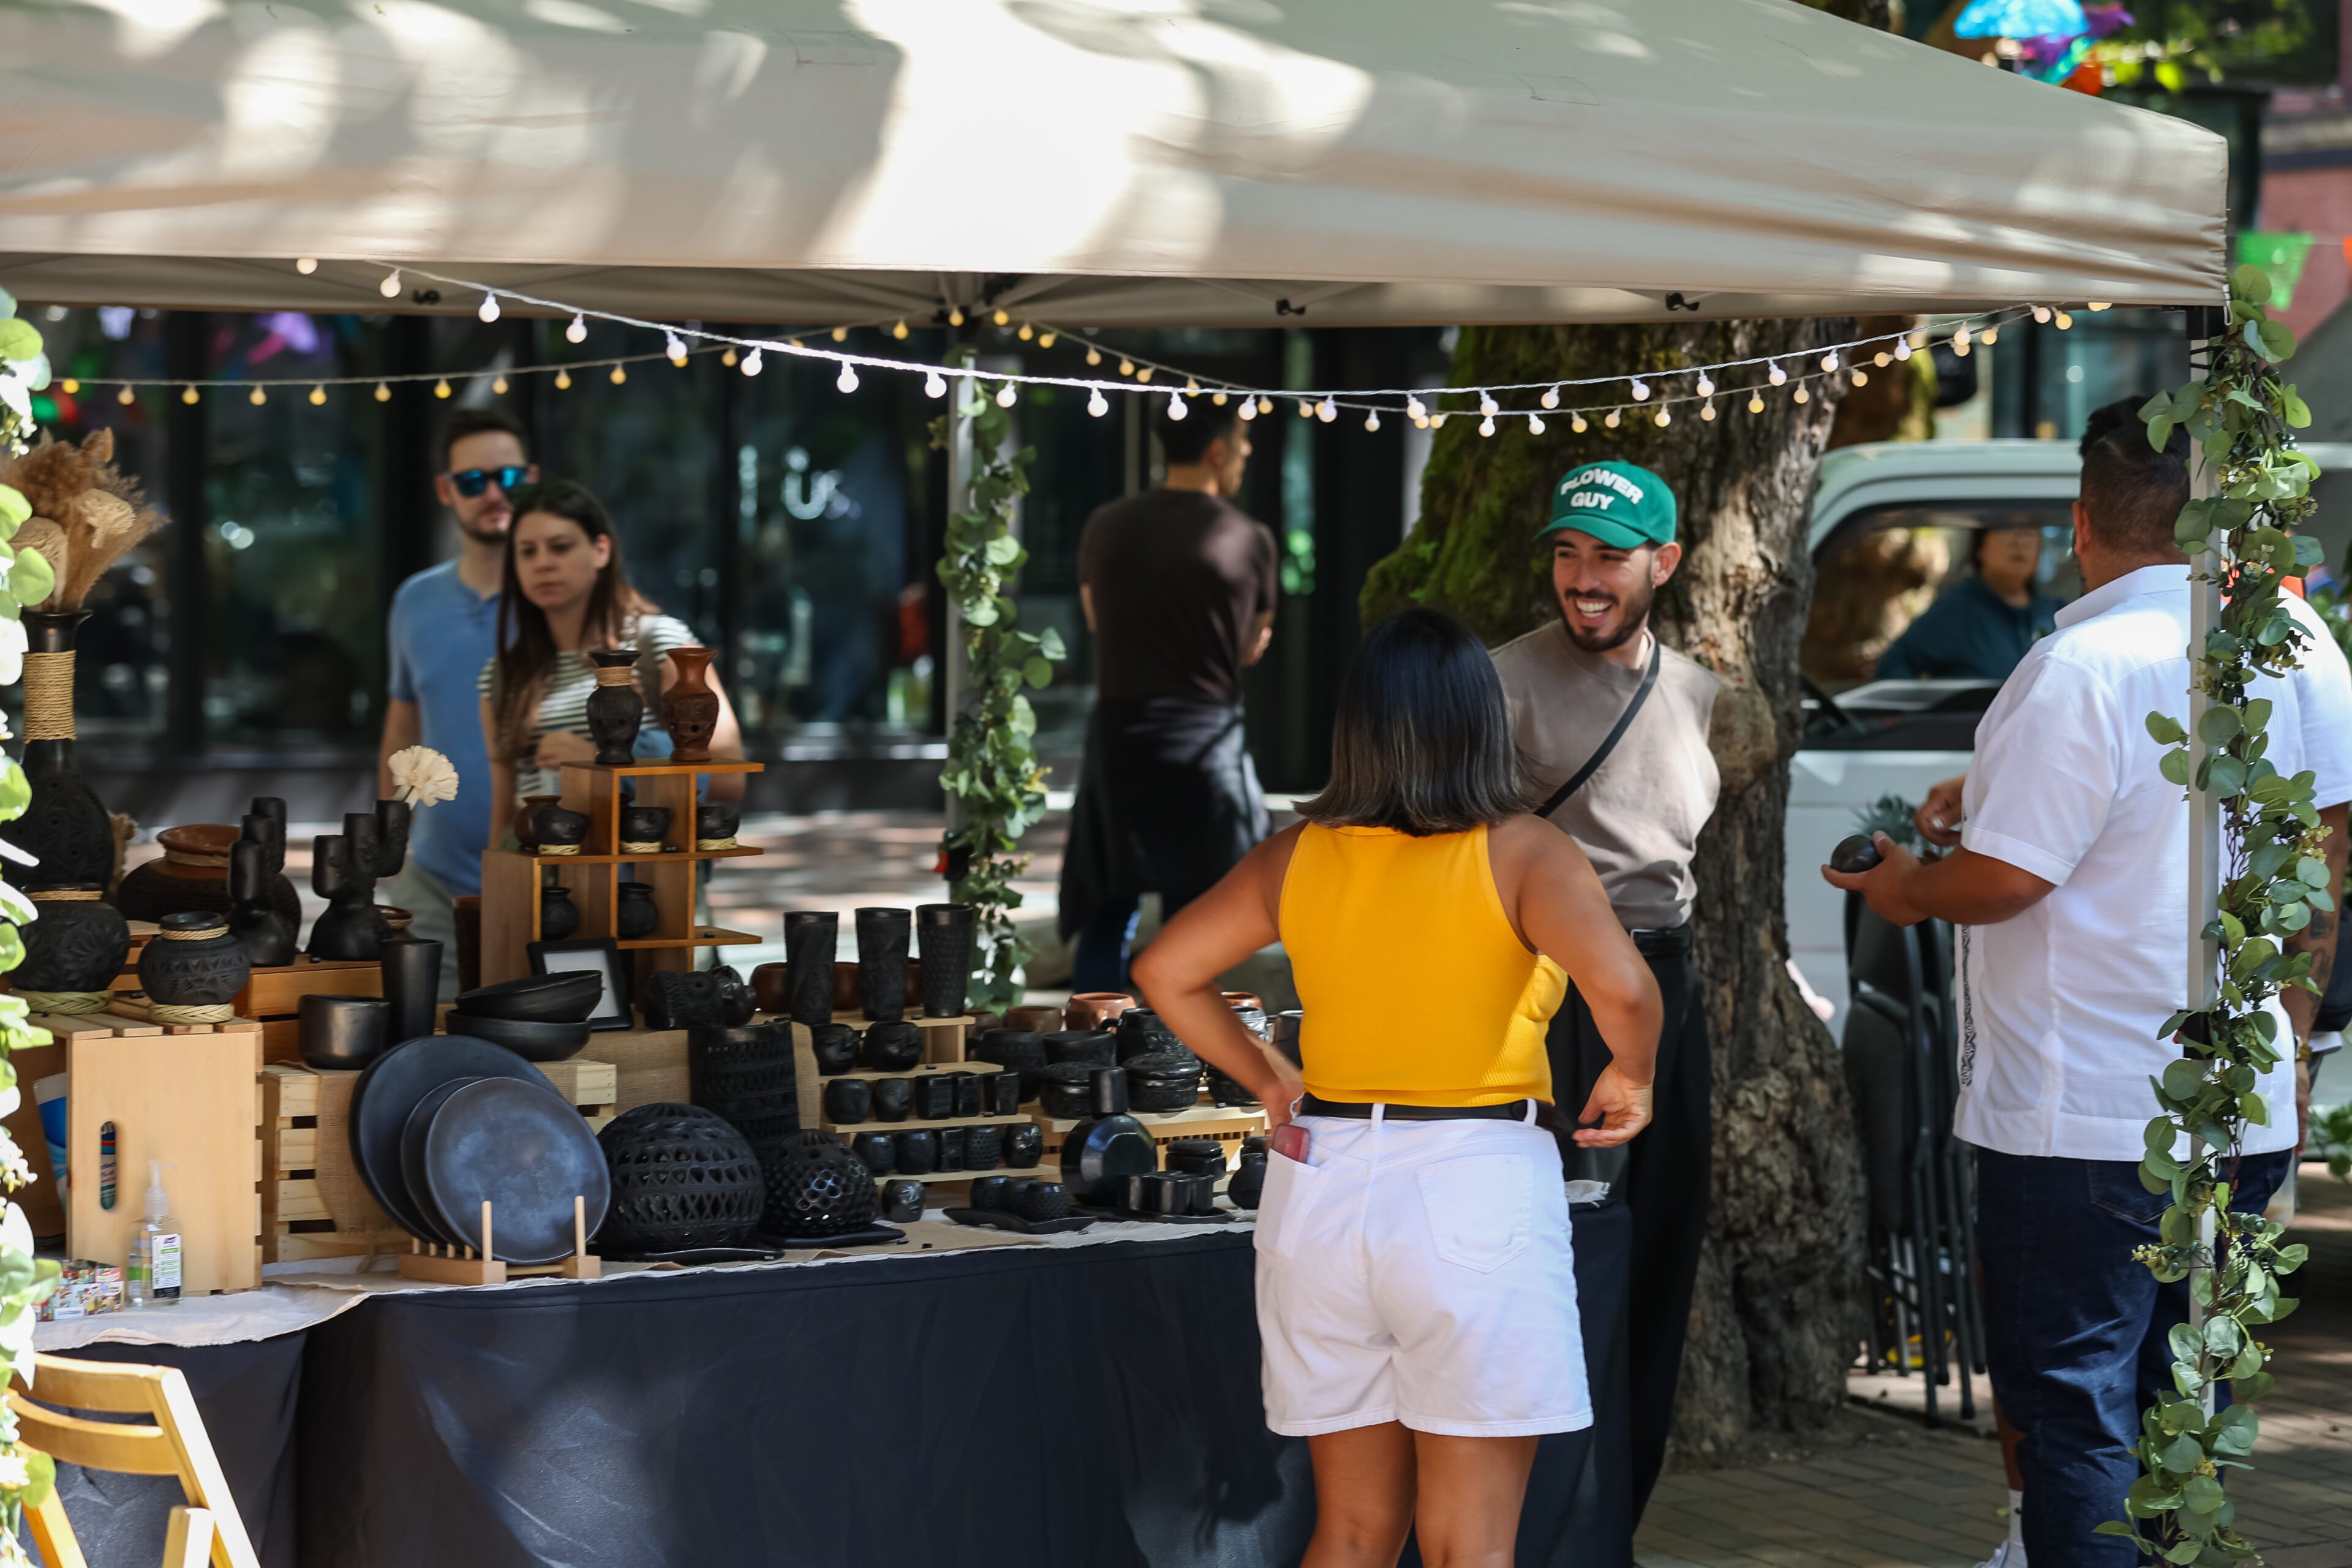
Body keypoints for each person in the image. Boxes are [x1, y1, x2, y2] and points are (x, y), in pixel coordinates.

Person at [1824, 410, 2340, 1568]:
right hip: (2236, 1106)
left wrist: (1906, 888)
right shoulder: (2291, 641)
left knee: (2076, 1423)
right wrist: (2294, 1040)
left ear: (2079, 524)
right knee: (2181, 1423)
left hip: (2085, 1120)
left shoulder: (2080, 663)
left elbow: (2006, 881)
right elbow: (2327, 854)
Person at [1133, 607, 1660, 1568]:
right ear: (1482, 720)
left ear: (1358, 726)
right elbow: (1625, 989)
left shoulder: (1301, 852)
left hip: (1323, 1189)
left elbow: (1165, 969)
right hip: (1474, 1188)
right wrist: (1634, 1076)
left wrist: (1270, 1079)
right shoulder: (1524, 850)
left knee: (1351, 1531)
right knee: (1470, 1546)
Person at [1488, 458, 1719, 1524]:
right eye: (1567, 553)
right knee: (1563, 1262)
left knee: (1661, 1250)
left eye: (1609, 557)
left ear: (1662, 564)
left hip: (1669, 990)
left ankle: (1615, 1514)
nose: (1583, 577)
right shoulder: (1501, 683)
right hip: (1550, 998)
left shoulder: (1699, 690)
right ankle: (1545, 1519)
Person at [1059, 399, 1278, 991]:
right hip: (1205, 746)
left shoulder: (1105, 525)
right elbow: (1252, 644)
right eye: (1244, 439)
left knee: (1109, 907)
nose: (1248, 452)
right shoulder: (1249, 538)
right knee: (1196, 919)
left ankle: (1088, 1055)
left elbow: (1094, 617)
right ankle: (1179, 1065)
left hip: (1122, 742)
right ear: (1216, 450)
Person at [477, 480, 745, 847]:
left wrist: (602, 763)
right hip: (541, 883)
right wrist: (496, 890)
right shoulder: (502, 674)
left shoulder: (659, 644)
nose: (543, 563)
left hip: (646, 880)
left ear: (601, 550)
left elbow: (731, 776)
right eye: (527, 552)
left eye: (560, 547)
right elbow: (504, 815)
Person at [379, 408, 535, 996]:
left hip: (548, 879)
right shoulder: (415, 601)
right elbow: (401, 727)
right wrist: (384, 844)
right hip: (435, 882)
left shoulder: (561, 597)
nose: (493, 493)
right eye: (474, 481)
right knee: (426, 1046)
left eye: (510, 478)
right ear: (447, 491)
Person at [1874, 524, 2065, 681]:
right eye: (2005, 528)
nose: (2019, 541)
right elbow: (1895, 663)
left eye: (2029, 532)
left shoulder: (2058, 613)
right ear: (1980, 547)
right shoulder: (1954, 611)